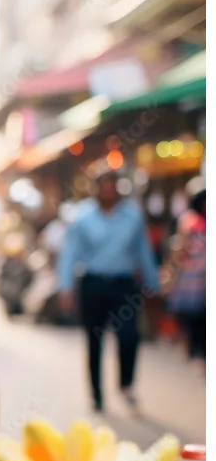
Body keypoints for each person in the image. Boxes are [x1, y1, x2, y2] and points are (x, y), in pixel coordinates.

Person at [58, 172, 160, 413]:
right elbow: (69, 253)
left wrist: (153, 283)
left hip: (123, 285)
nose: (108, 191)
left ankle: (126, 383)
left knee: (128, 336)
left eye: (111, 186)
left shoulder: (132, 216)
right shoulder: (82, 216)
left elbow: (143, 252)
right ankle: (96, 394)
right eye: (103, 187)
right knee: (94, 340)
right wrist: (66, 287)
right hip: (93, 284)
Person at [167, 189, 205, 363]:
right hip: (192, 277)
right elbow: (180, 248)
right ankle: (192, 347)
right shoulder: (188, 221)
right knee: (191, 315)